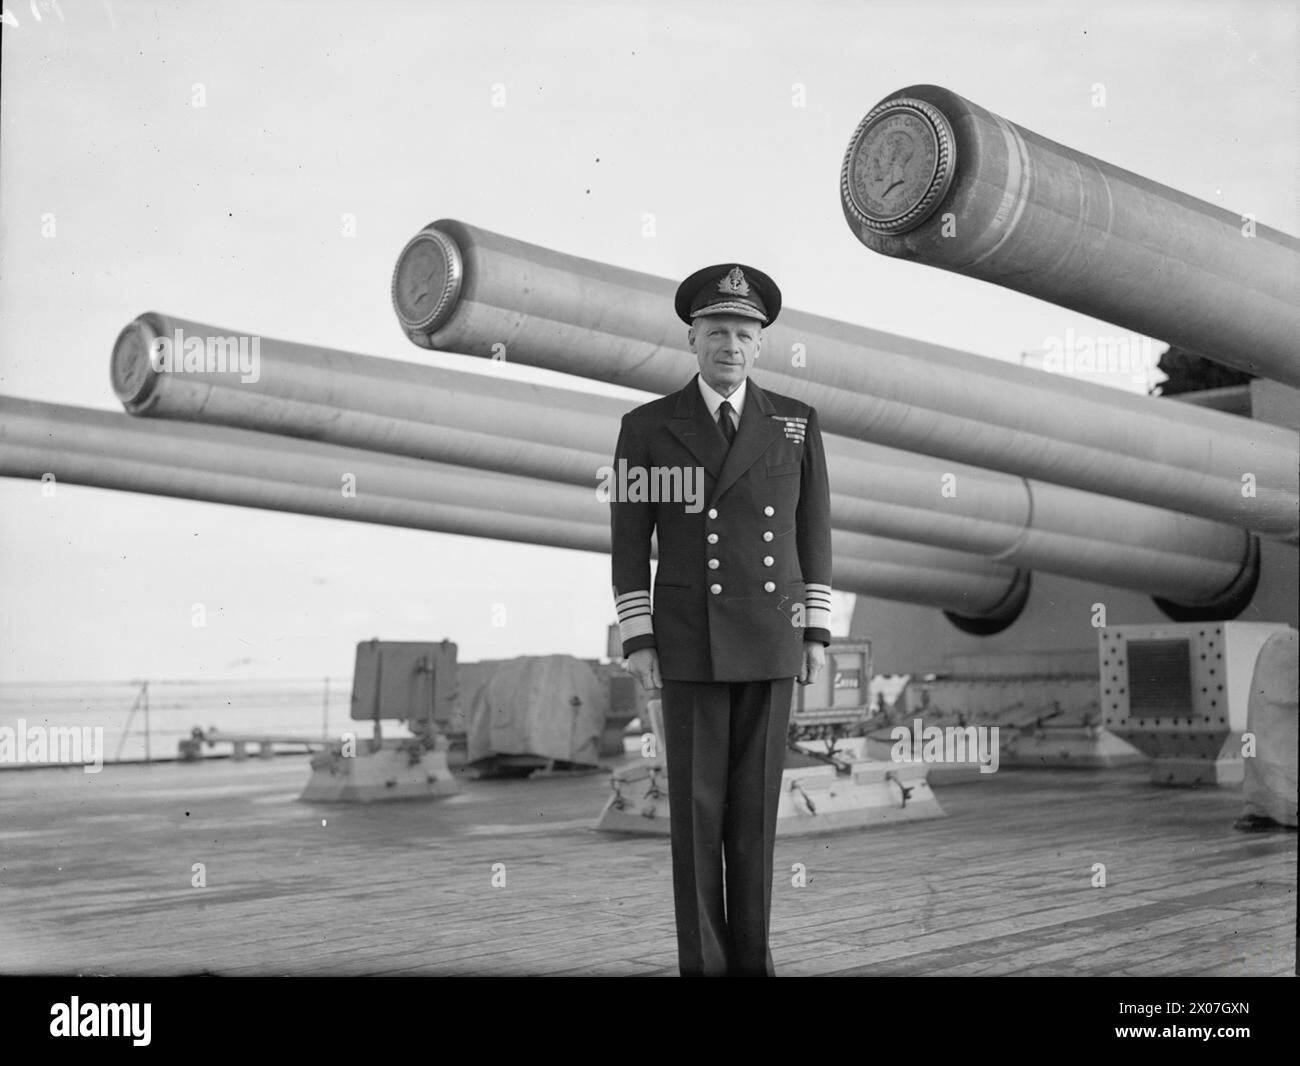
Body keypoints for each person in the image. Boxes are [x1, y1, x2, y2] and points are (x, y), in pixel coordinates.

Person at [609, 262, 833, 976]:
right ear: (692, 339)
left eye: (743, 333)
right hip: (688, 642)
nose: (729, 345)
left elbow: (814, 531)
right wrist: (638, 637)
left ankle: (752, 963)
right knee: (697, 818)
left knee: (755, 819)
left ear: (760, 345)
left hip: (771, 636)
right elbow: (626, 542)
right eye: (716, 332)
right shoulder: (645, 428)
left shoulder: (796, 423)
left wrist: (816, 630)